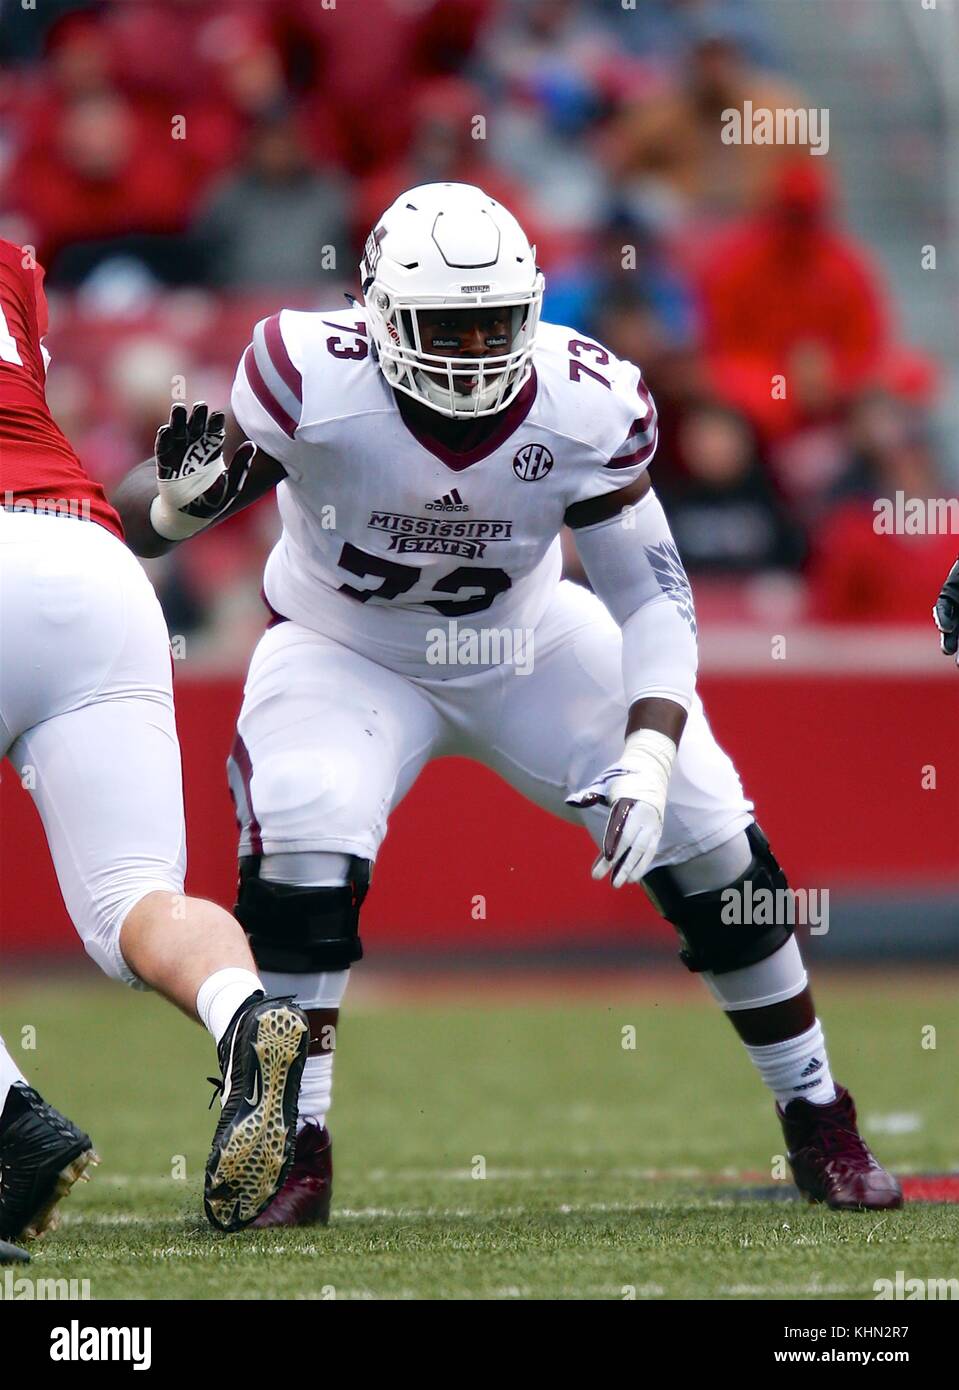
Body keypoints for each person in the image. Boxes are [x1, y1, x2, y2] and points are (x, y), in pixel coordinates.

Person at [113, 183, 901, 1226]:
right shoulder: (307, 369)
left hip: (525, 639)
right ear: (378, 310)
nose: (474, 349)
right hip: (344, 647)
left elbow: (652, 600)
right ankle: (296, 1139)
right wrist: (172, 500)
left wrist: (651, 755)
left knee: (709, 823)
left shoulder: (584, 398)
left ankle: (813, 1108)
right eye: (448, 325)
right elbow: (141, 527)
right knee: (305, 823)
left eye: (495, 321)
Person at [0, 238, 309, 1244]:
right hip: (88, 561)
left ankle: (11, 1126)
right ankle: (241, 1010)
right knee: (134, 895)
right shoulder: (11, 265)